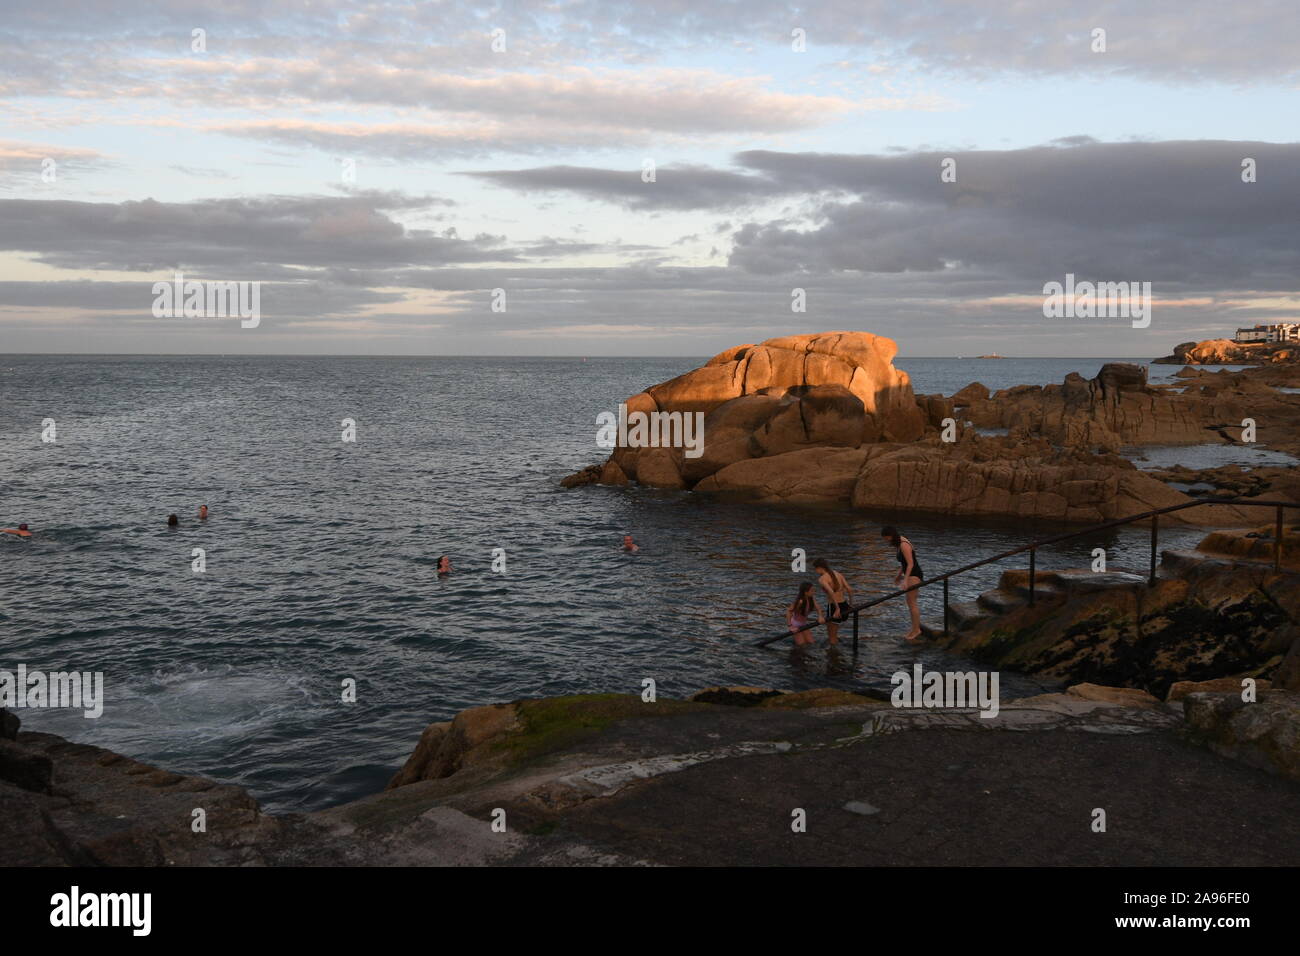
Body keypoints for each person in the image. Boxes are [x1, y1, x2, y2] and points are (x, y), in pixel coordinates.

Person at [882, 526, 924, 641]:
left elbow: (910, 563)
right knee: (910, 603)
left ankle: (917, 630)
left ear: (890, 535)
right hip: (910, 575)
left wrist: (905, 580)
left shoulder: (904, 544)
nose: (886, 540)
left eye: (886, 538)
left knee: (912, 603)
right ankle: (914, 629)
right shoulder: (899, 543)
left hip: (914, 575)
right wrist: (898, 576)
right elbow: (904, 563)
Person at [813, 558, 853, 646]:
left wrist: (837, 609)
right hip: (845, 606)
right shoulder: (838, 574)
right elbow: (849, 589)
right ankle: (836, 649)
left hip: (834, 608)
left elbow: (831, 592)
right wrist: (850, 605)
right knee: (833, 633)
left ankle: (834, 653)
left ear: (819, 568)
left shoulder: (822, 579)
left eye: (815, 569)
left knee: (832, 638)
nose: (816, 571)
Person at [786, 582, 824, 647]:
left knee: (811, 643)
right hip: (795, 625)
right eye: (812, 590)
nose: (814, 592)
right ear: (805, 592)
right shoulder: (800, 601)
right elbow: (789, 611)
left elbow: (818, 608)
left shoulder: (811, 598)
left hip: (803, 624)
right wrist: (790, 626)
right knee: (802, 645)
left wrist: (820, 616)